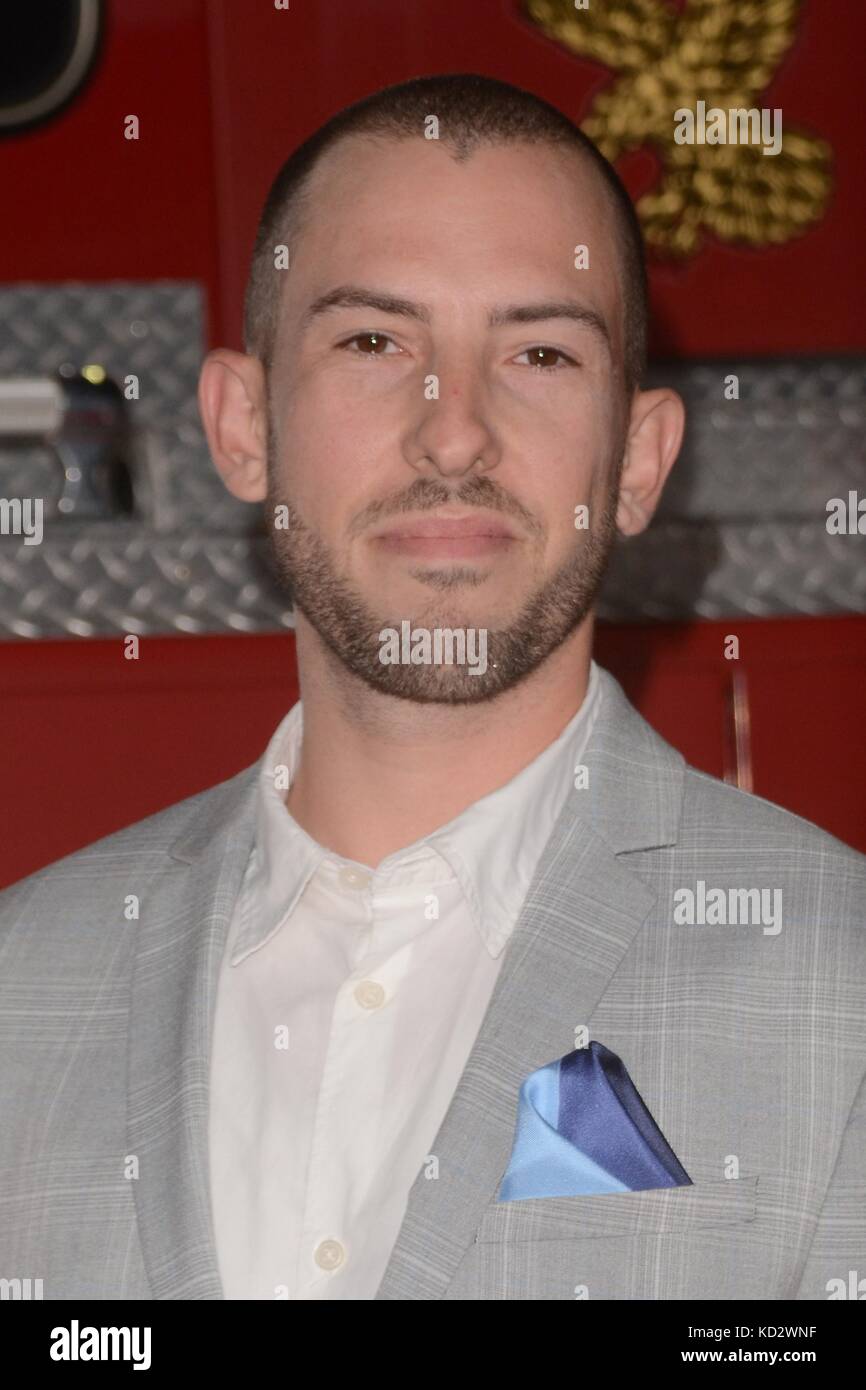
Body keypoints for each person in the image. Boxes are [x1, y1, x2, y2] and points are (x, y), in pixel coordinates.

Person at [1, 73, 863, 1302]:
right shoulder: (22, 986)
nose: (451, 434)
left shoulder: (841, 988)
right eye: (372, 342)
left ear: (637, 460)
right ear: (242, 426)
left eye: (539, 352)